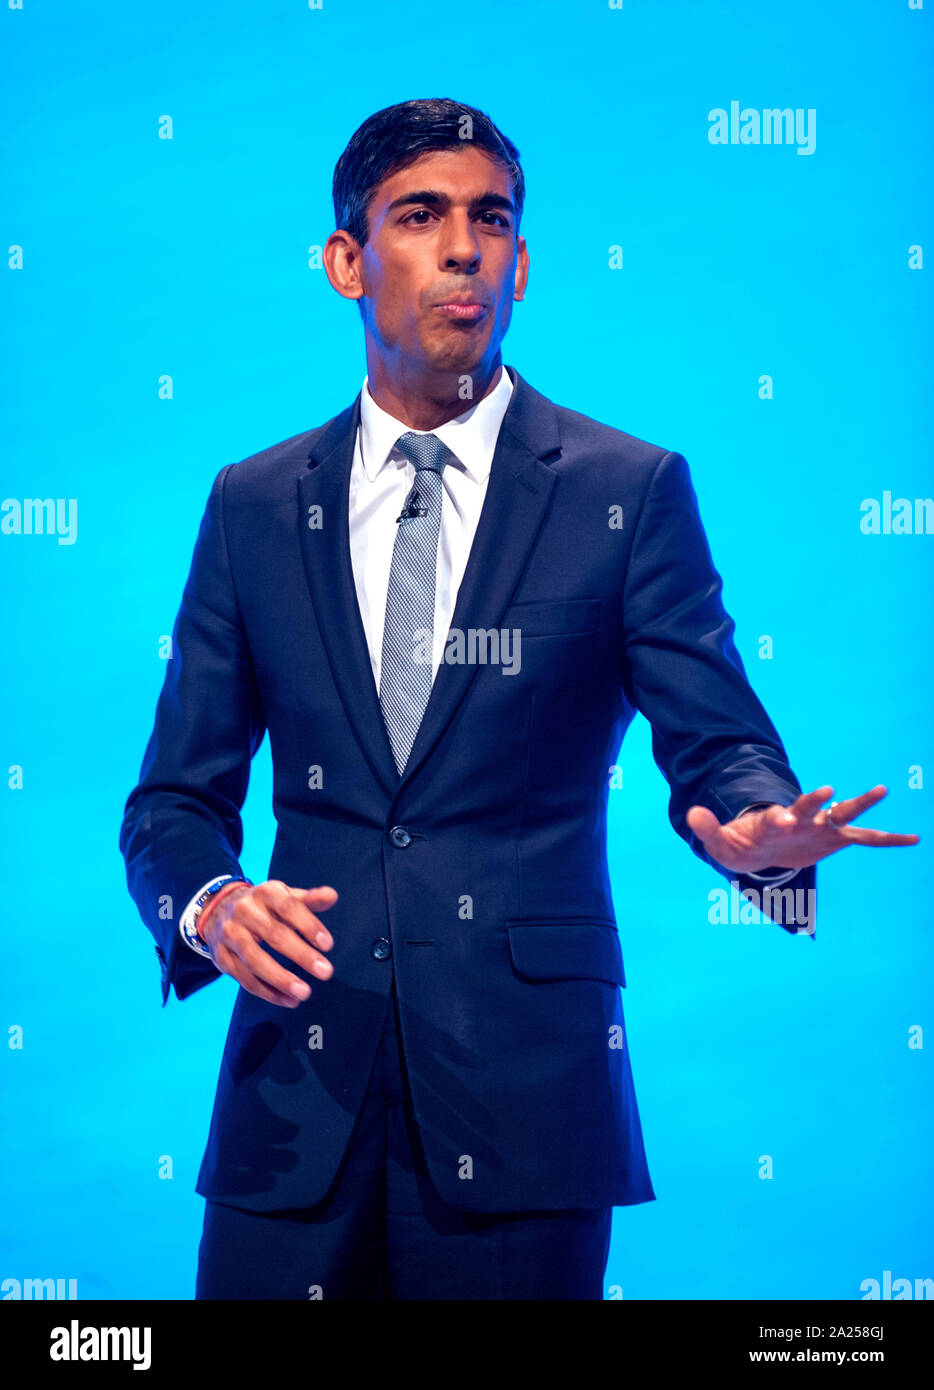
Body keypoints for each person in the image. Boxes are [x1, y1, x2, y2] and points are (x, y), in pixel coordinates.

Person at [119, 97, 918, 1301]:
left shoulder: (626, 488)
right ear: (347, 261)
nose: (461, 248)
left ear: (522, 262)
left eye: (490, 219)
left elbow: (723, 749)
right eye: (420, 216)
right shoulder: (252, 502)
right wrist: (212, 905)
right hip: (295, 1105)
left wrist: (760, 838)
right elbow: (173, 801)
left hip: (528, 1111)